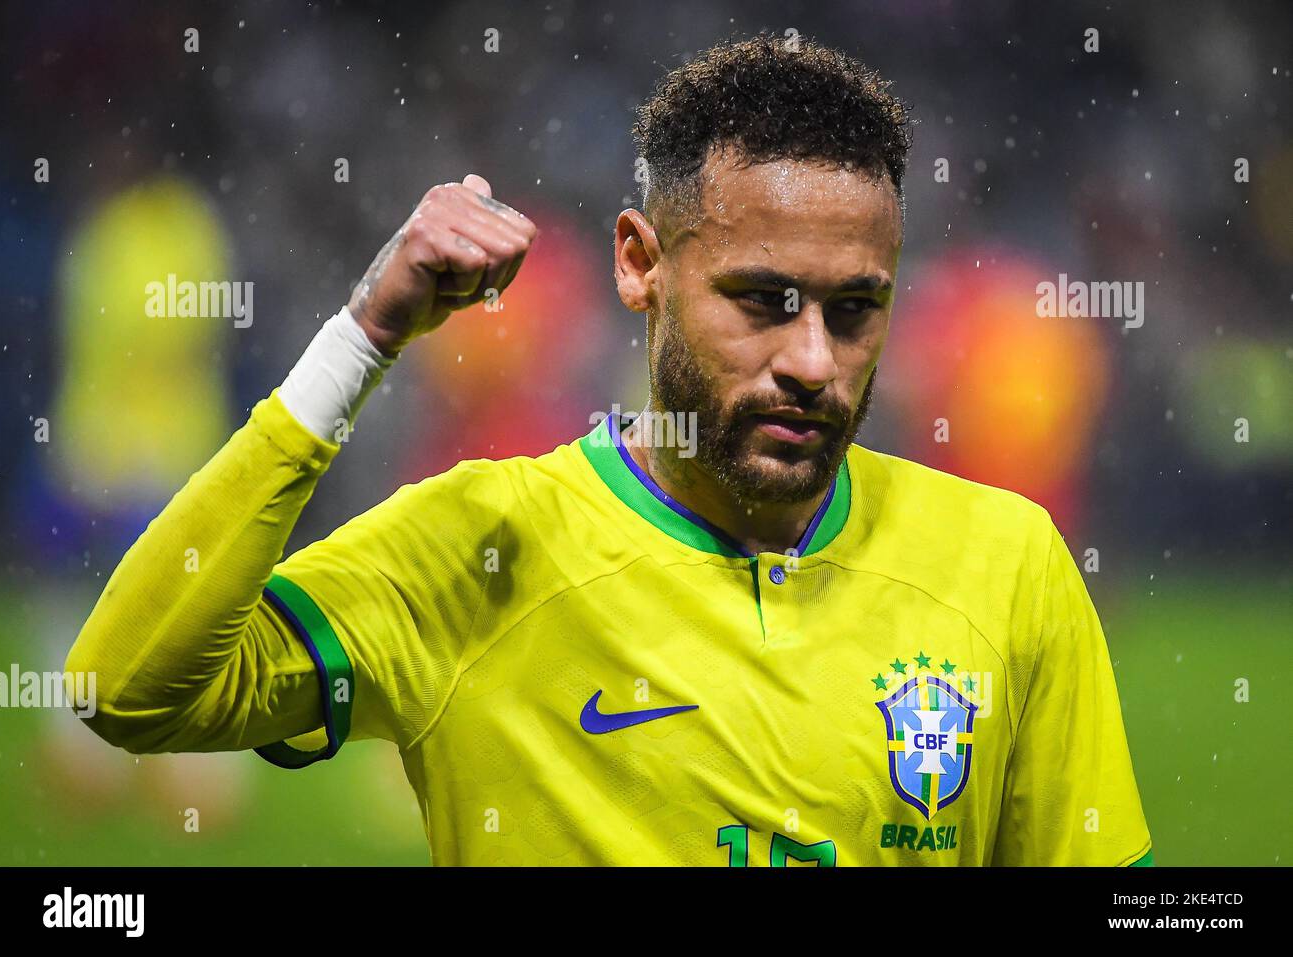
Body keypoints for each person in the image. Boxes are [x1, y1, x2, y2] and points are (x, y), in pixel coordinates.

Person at [66, 34, 1152, 866]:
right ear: (640, 265)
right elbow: (125, 690)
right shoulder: (478, 548)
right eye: (763, 301)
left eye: (855, 309)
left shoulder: (1009, 564)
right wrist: (360, 340)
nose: (814, 362)